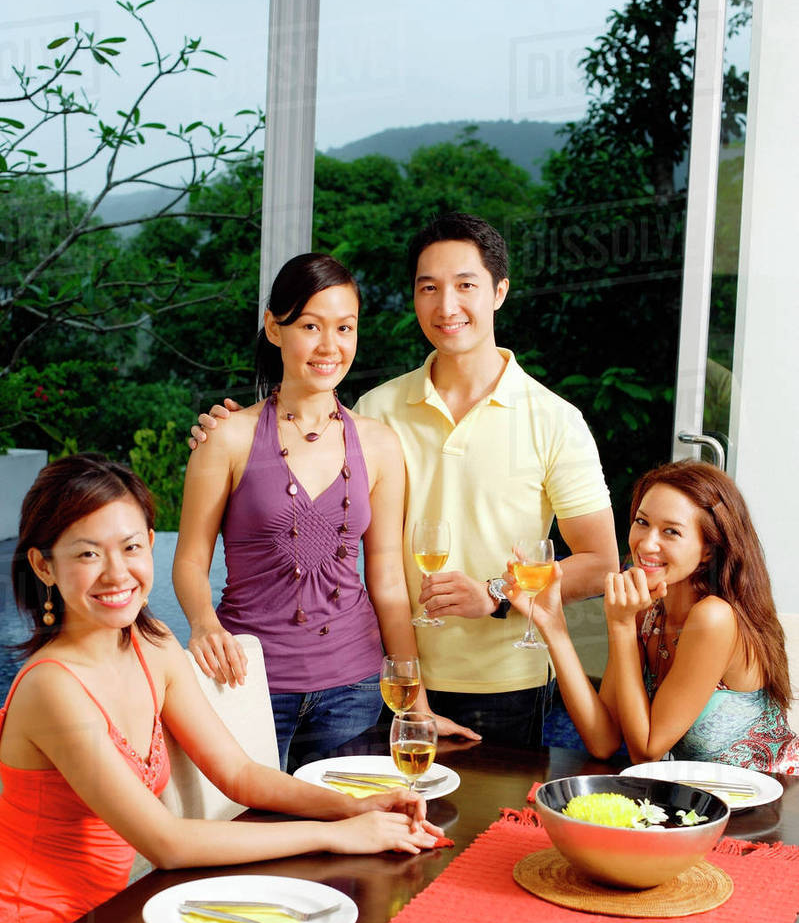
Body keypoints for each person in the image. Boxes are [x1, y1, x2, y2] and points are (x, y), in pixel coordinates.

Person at [191, 215, 618, 749]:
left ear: (499, 292)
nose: (447, 306)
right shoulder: (377, 410)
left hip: (505, 681)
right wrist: (227, 435)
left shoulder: (555, 420)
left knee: (487, 828)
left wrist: (495, 594)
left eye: (466, 286)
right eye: (428, 288)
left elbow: (600, 565)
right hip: (379, 677)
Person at [0, 454, 442, 923]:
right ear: (43, 565)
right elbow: (166, 843)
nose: (116, 572)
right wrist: (335, 835)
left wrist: (354, 806)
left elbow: (239, 773)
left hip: (113, 919)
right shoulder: (53, 687)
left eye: (131, 546)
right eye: (87, 555)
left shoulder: (153, 645)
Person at [174, 252, 475, 772]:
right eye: (310, 326)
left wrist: (414, 702)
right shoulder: (225, 438)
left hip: (354, 688)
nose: (329, 346)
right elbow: (188, 560)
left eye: (345, 327)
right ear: (274, 328)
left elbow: (386, 583)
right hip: (244, 680)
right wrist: (203, 625)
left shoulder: (380, 445)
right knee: (251, 837)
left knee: (343, 836)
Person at [509, 459, 799, 771]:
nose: (647, 544)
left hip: (775, 802)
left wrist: (620, 626)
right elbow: (602, 740)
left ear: (708, 549)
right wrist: (554, 626)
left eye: (671, 531)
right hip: (700, 799)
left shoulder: (714, 617)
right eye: (642, 522)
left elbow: (646, 754)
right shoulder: (646, 610)